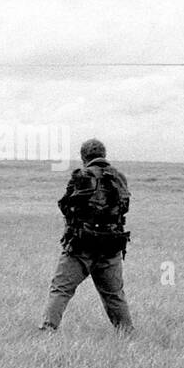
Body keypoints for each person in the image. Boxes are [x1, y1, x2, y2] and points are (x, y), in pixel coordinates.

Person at [40, 138, 133, 333]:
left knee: (61, 289)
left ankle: (48, 330)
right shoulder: (119, 177)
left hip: (81, 244)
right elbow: (124, 208)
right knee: (114, 295)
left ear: (83, 157)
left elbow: (66, 206)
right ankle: (126, 334)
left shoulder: (81, 175)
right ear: (103, 155)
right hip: (111, 245)